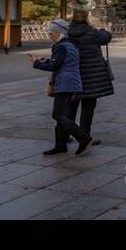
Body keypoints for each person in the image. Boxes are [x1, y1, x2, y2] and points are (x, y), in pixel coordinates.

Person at [32, 18, 91, 156]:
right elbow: (61, 62)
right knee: (63, 115)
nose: (50, 35)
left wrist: (37, 63)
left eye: (52, 32)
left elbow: (54, 65)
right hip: (72, 82)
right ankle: (60, 145)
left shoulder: (61, 46)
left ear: (59, 33)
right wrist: (45, 61)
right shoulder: (70, 44)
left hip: (65, 83)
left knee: (57, 114)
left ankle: (83, 138)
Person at [65, 9, 113, 144]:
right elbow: (107, 37)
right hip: (91, 76)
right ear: (87, 19)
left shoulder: (68, 33)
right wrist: (101, 29)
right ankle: (84, 135)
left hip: (73, 74)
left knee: (71, 105)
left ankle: (66, 134)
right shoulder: (92, 33)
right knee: (88, 107)